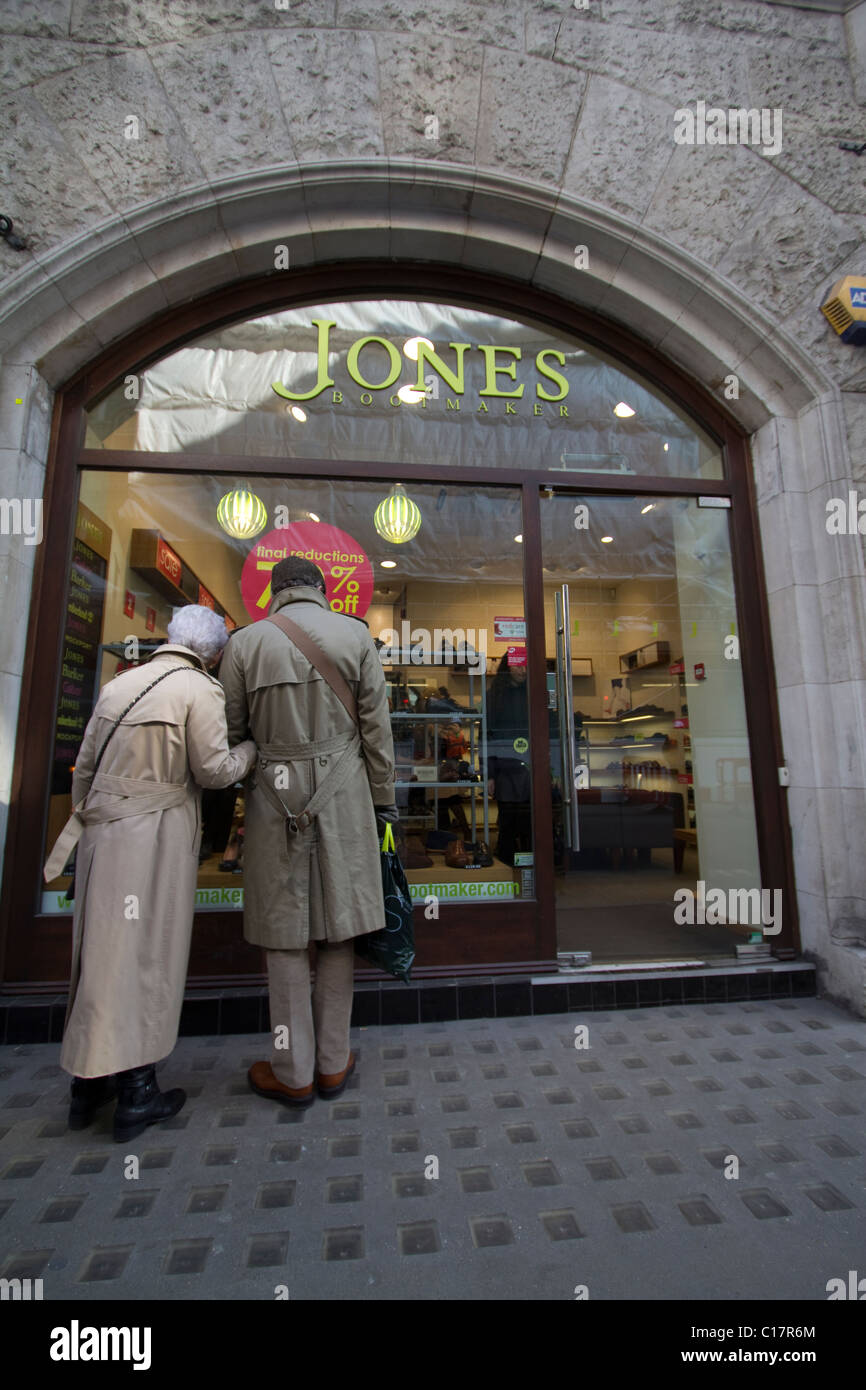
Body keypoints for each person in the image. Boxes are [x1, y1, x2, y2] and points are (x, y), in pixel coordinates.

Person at [43, 606, 256, 1143]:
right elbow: (214, 771)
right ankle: (138, 1090)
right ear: (215, 653)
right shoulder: (199, 690)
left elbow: (85, 769)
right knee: (147, 954)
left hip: (101, 836)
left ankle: (87, 1086)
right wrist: (251, 750)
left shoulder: (121, 684)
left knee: (100, 954)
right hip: (155, 837)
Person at [219, 557, 396, 1108]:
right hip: (345, 797)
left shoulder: (245, 643)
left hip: (274, 800)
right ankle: (332, 1062)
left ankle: (291, 1069)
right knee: (340, 929)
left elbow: (229, 731)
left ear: (274, 593)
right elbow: (377, 731)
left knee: (284, 936)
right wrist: (384, 804)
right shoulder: (356, 635)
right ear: (322, 590)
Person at [486, 653, 532, 866]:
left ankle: (529, 866)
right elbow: (486, 735)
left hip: (531, 765)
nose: (523, 670)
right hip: (504, 766)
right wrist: (488, 774)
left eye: (525, 666)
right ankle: (506, 867)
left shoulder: (535, 694)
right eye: (518, 666)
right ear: (508, 668)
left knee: (529, 821)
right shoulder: (493, 696)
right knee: (508, 820)